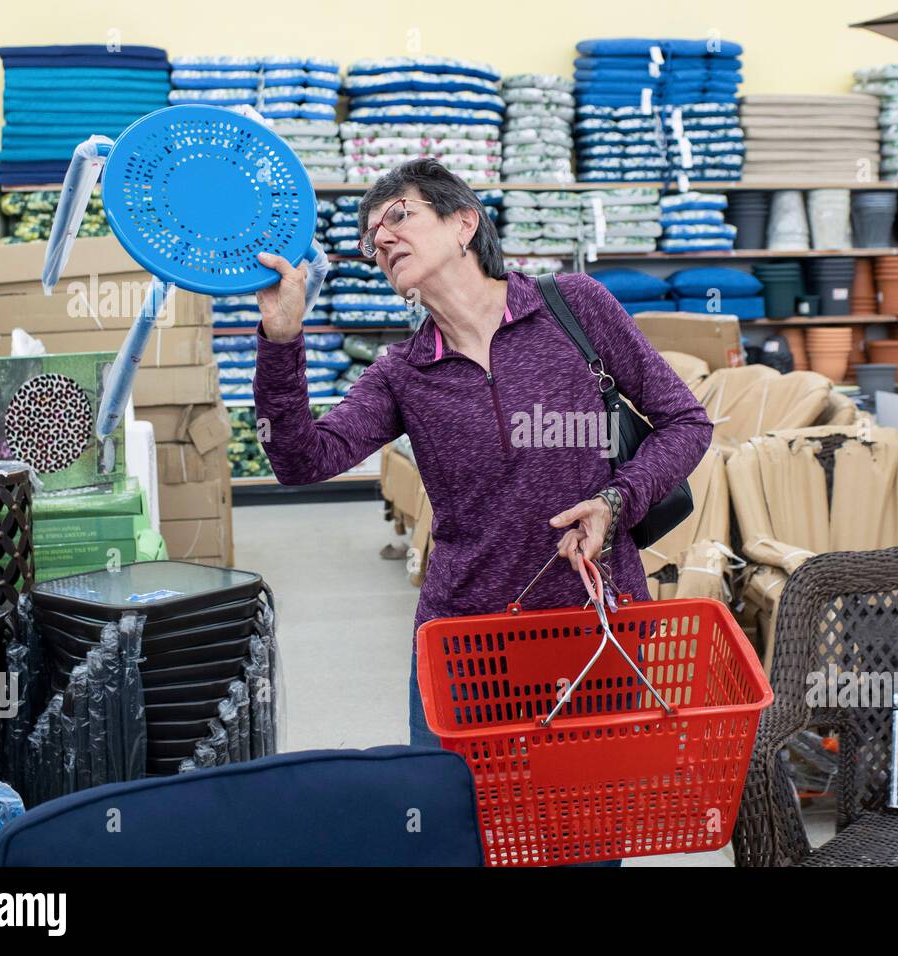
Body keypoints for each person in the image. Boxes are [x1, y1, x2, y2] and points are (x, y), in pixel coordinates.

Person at [253, 158, 713, 754]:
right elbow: (300, 461)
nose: (382, 239)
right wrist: (282, 341)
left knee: (586, 832)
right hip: (468, 643)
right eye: (371, 238)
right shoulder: (403, 372)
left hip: (594, 628)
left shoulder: (574, 307)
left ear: (464, 222)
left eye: (399, 216)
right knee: (462, 827)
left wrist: (614, 501)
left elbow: (685, 422)